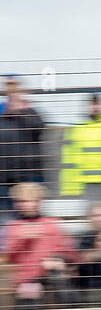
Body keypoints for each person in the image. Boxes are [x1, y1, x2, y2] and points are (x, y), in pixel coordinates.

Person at [2, 183, 71, 307]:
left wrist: (58, 259)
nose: (22, 205)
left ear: (39, 202)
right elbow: (7, 257)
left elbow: (66, 251)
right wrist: (21, 240)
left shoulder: (52, 224)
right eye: (19, 201)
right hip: (25, 282)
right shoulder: (13, 226)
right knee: (29, 294)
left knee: (62, 287)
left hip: (50, 279)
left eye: (27, 201)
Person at [0, 78, 46, 220]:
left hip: (27, 180)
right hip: (5, 180)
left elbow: (38, 128)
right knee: (7, 221)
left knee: (29, 218)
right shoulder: (2, 117)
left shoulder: (31, 114)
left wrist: (21, 110)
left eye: (16, 91)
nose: (13, 95)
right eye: (10, 92)